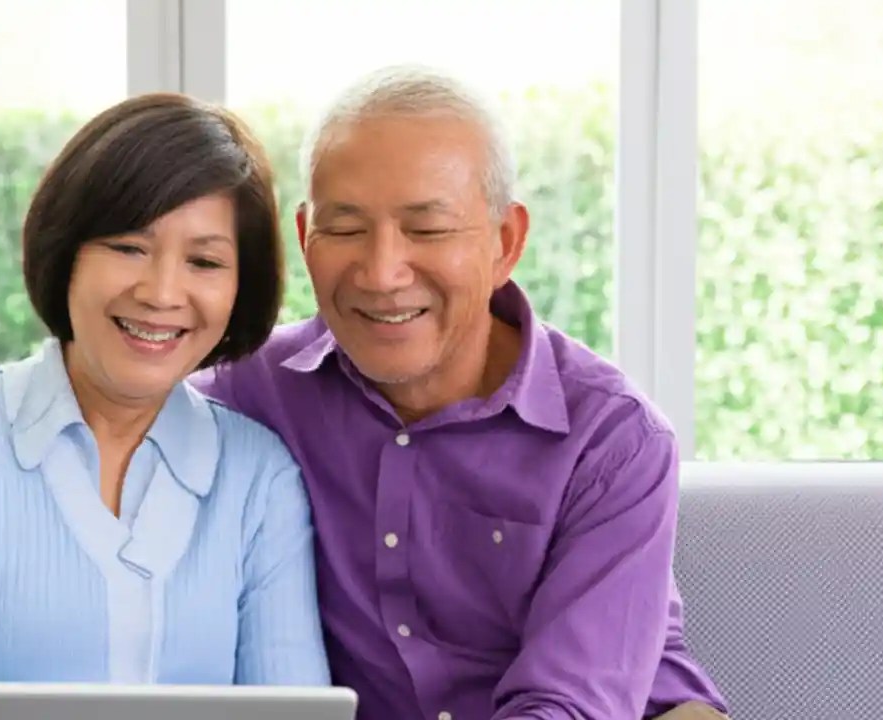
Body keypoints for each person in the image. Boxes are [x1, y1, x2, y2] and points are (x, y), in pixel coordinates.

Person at [188, 66, 731, 719]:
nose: (382, 273)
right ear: (306, 238)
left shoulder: (611, 440)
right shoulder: (246, 393)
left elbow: (569, 704)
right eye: (347, 228)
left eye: (427, 229)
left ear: (506, 243)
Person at [0, 93, 330, 719]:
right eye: (128, 248)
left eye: (204, 261)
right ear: (67, 252)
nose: (162, 292)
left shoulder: (261, 476)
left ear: (239, 288)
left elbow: (291, 707)